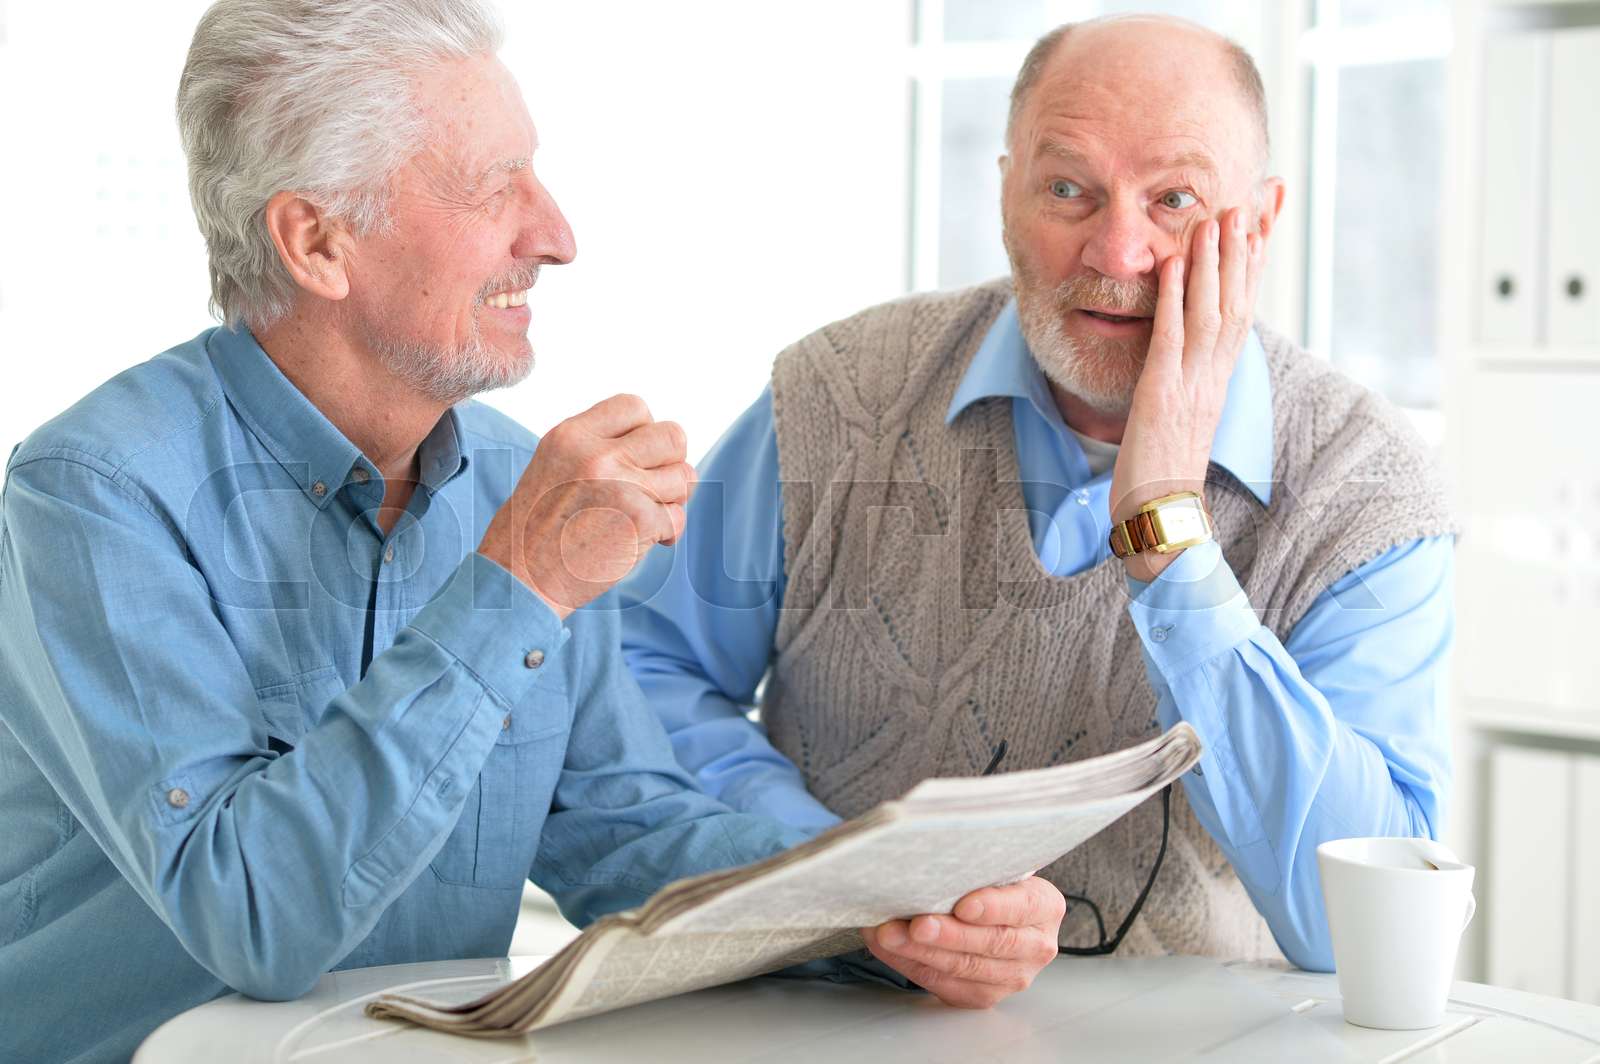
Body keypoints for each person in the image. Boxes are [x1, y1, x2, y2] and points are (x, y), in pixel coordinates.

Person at [0, 4, 1062, 1061]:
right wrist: (520, 579)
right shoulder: (90, 494)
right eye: (489, 184)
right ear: (317, 241)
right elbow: (253, 917)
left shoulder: (511, 477)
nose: (553, 234)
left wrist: (891, 907)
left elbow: (627, 831)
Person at [620, 14, 1455, 972]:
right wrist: (837, 885)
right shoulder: (835, 394)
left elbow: (1360, 925)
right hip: (827, 1017)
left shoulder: (1368, 489)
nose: (1117, 252)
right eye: (1069, 190)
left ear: (1258, 225)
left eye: (1173, 200)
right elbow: (643, 678)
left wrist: (1164, 531)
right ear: (1006, 192)